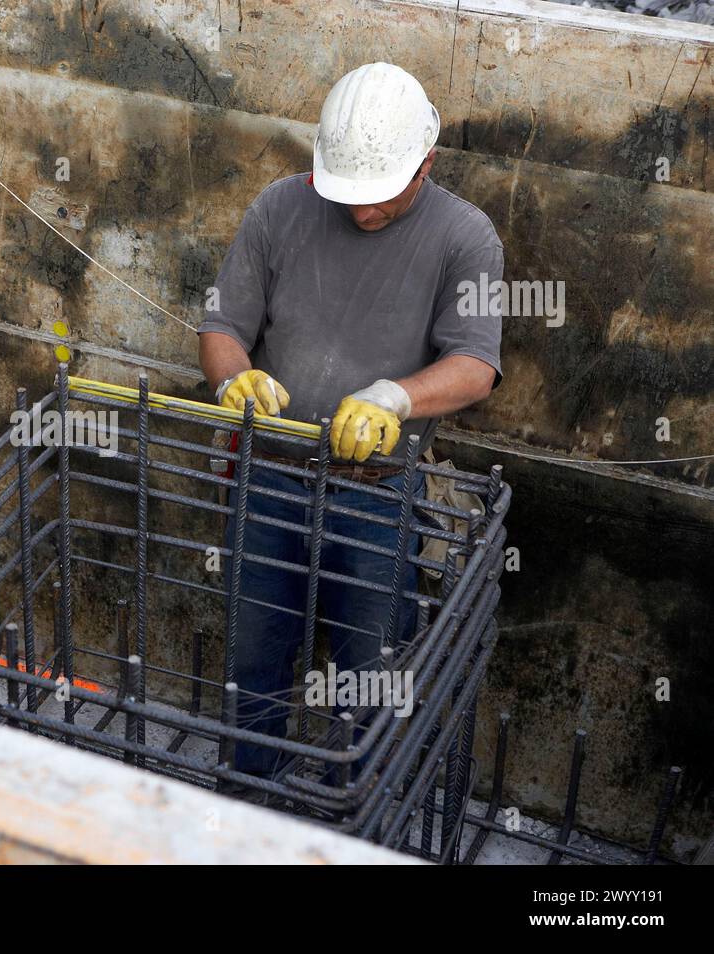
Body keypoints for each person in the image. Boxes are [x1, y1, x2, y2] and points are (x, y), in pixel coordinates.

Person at [197, 62, 503, 786]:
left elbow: (475, 362)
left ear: (425, 162)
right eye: (350, 194)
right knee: (252, 661)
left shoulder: (467, 237)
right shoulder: (280, 207)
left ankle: (354, 819)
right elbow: (221, 326)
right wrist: (230, 376)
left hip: (377, 493)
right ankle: (248, 804)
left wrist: (395, 397)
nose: (362, 211)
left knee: (371, 676)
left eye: (380, 195)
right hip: (269, 477)